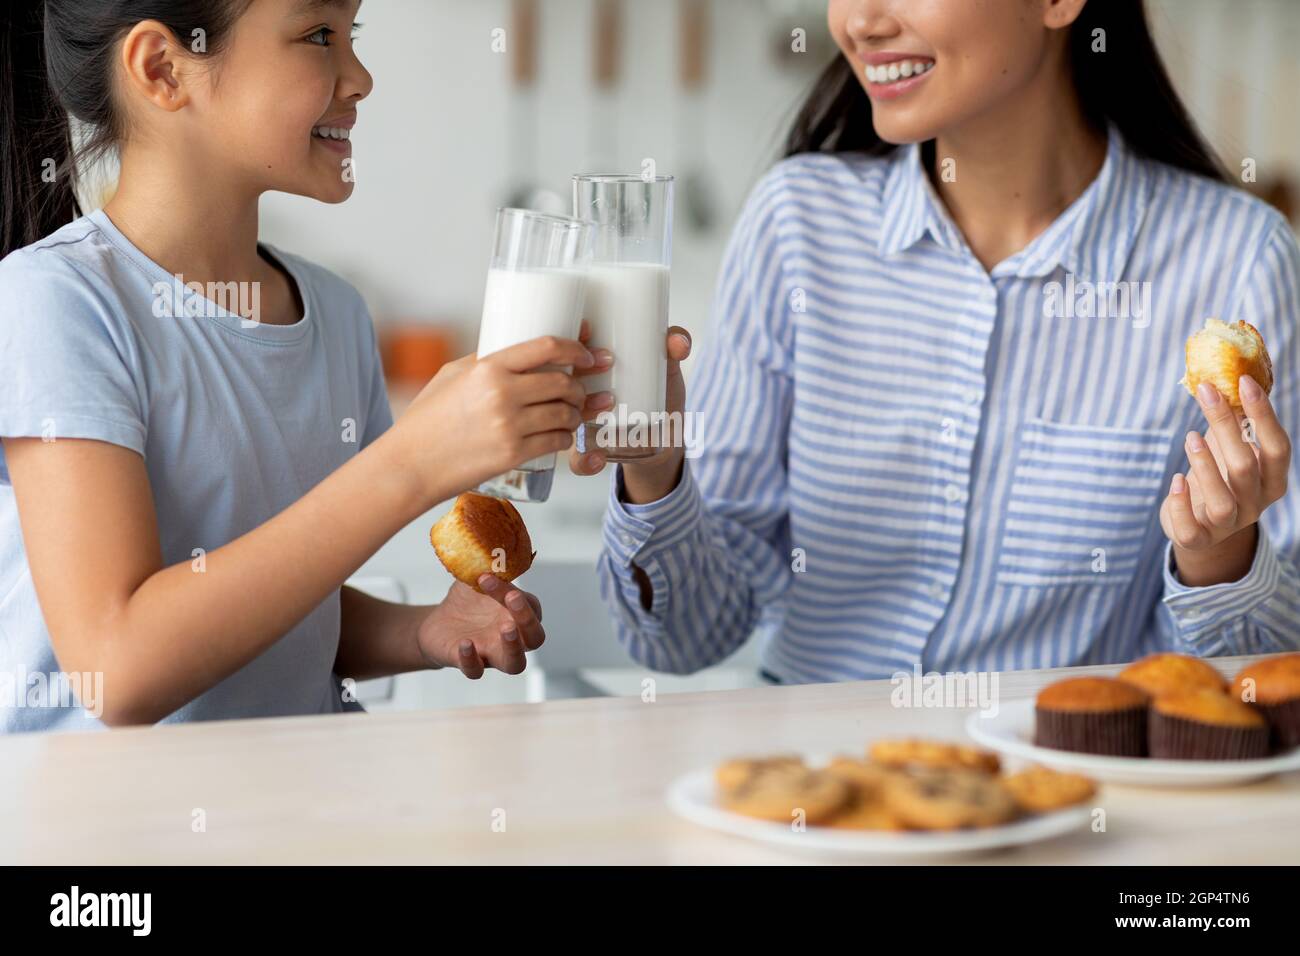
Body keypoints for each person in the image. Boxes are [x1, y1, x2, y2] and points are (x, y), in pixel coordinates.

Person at [573, 0, 1300, 682]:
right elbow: (685, 641)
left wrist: (1221, 557)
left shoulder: (1236, 260)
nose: (859, 21)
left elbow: (1259, 679)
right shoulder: (797, 223)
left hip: (1057, 793)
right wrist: (656, 473)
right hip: (803, 790)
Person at [0, 0, 607, 732]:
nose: (360, 78)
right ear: (164, 69)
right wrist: (412, 461)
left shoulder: (336, 313)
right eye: (320, 35)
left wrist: (419, 633)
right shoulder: (57, 302)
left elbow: (272, 600)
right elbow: (120, 666)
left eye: (355, 35)